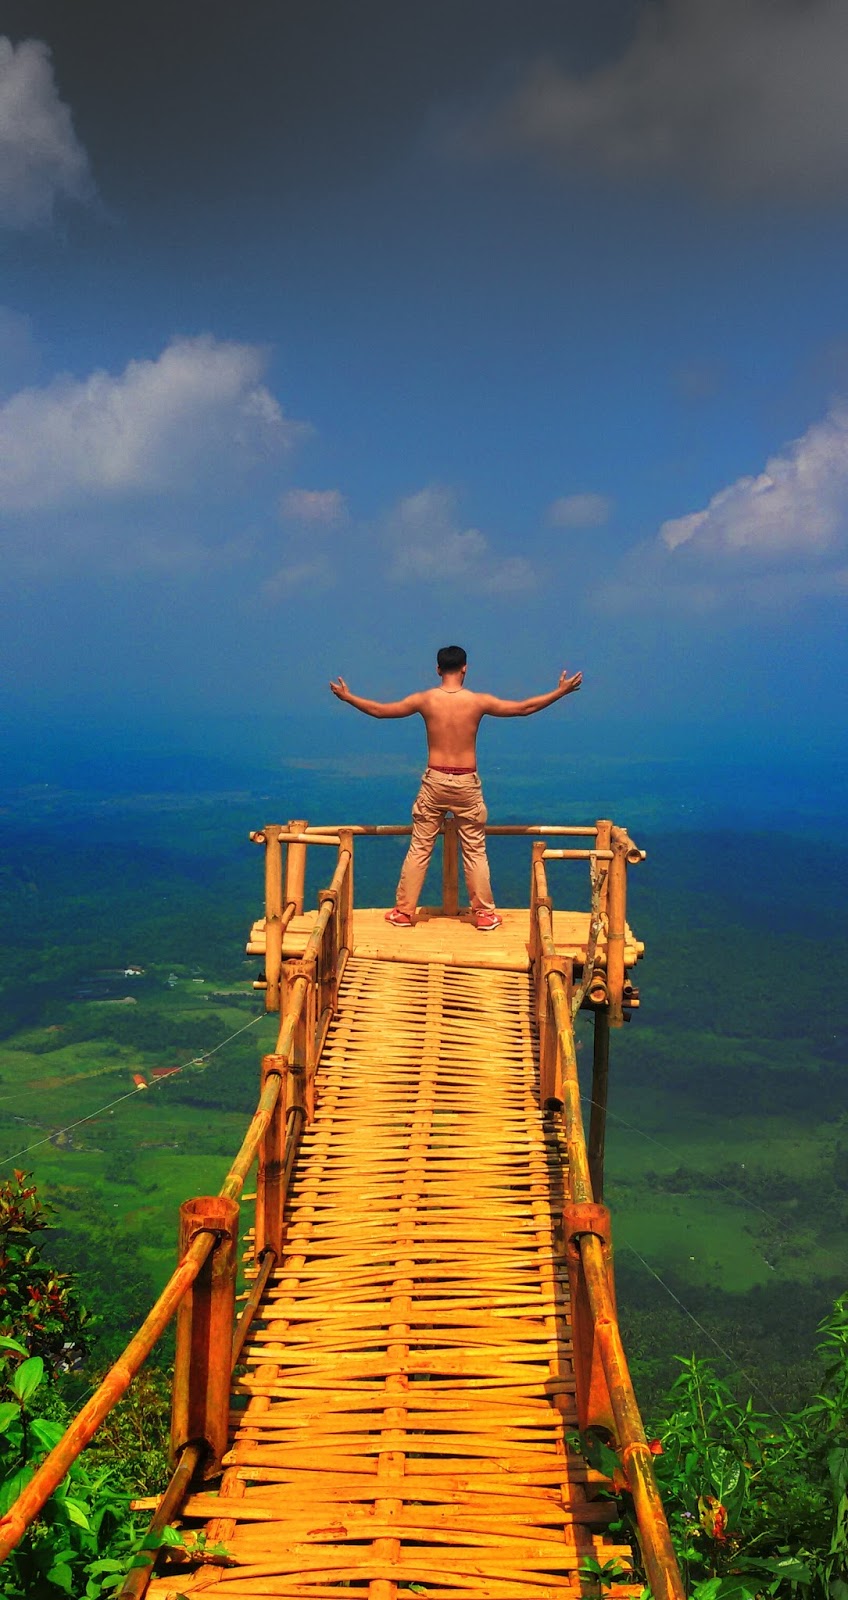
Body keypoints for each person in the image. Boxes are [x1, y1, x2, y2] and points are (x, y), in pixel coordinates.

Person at [329, 645, 583, 931]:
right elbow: (524, 708)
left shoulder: (425, 699)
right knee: (474, 850)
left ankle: (403, 912)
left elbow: (380, 711)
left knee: (420, 847)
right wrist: (560, 692)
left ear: (438, 669)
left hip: (435, 780)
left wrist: (348, 697)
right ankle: (484, 914)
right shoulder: (477, 701)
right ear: (465, 668)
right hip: (466, 782)